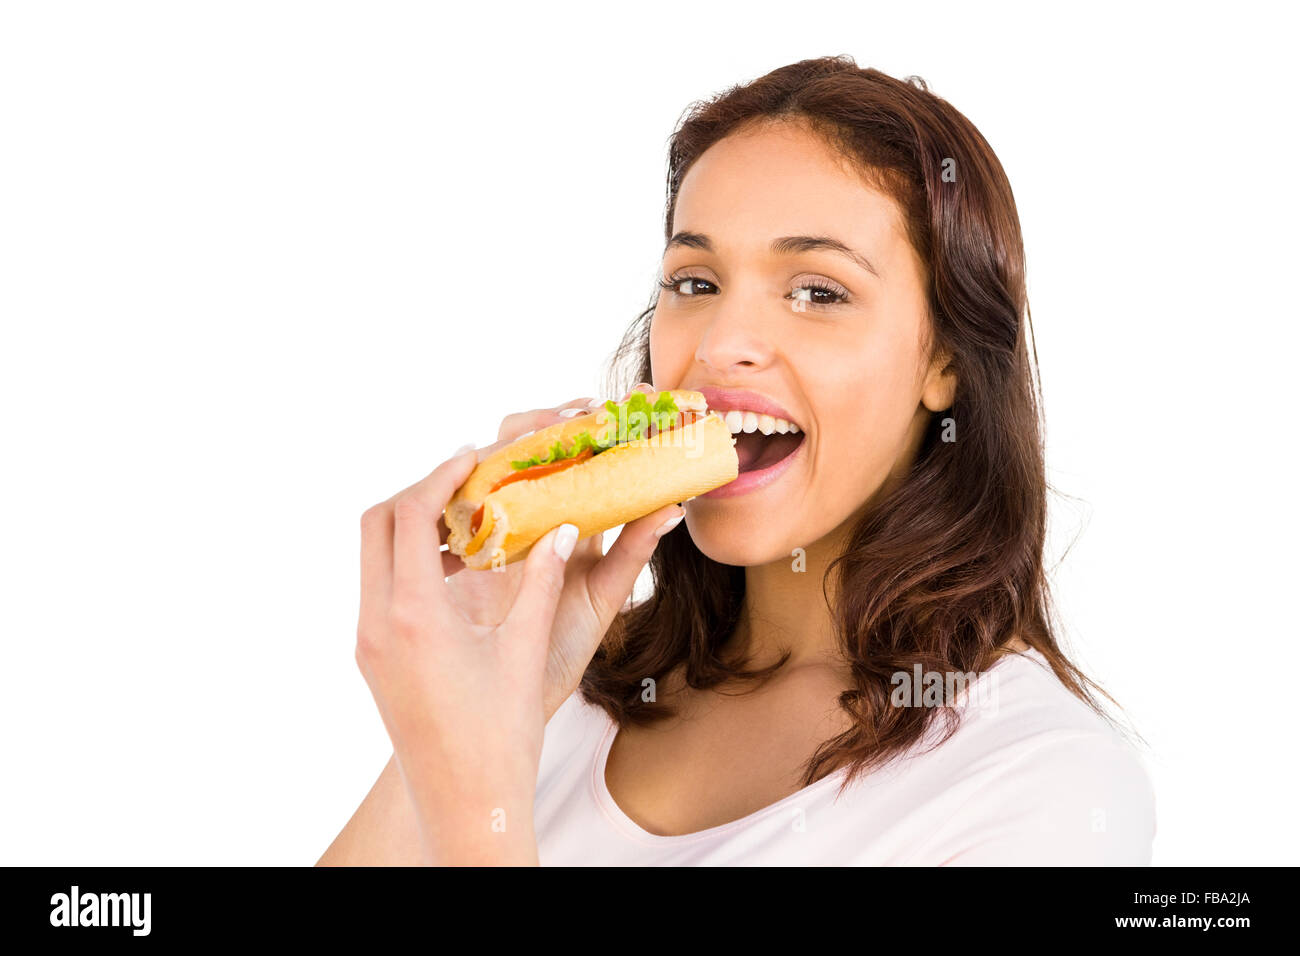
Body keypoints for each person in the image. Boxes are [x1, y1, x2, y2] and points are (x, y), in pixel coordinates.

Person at [318, 55, 1156, 866]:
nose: (720, 346)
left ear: (944, 363)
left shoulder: (1043, 783)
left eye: (817, 291)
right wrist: (489, 700)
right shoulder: (574, 682)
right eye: (695, 281)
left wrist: (473, 803)